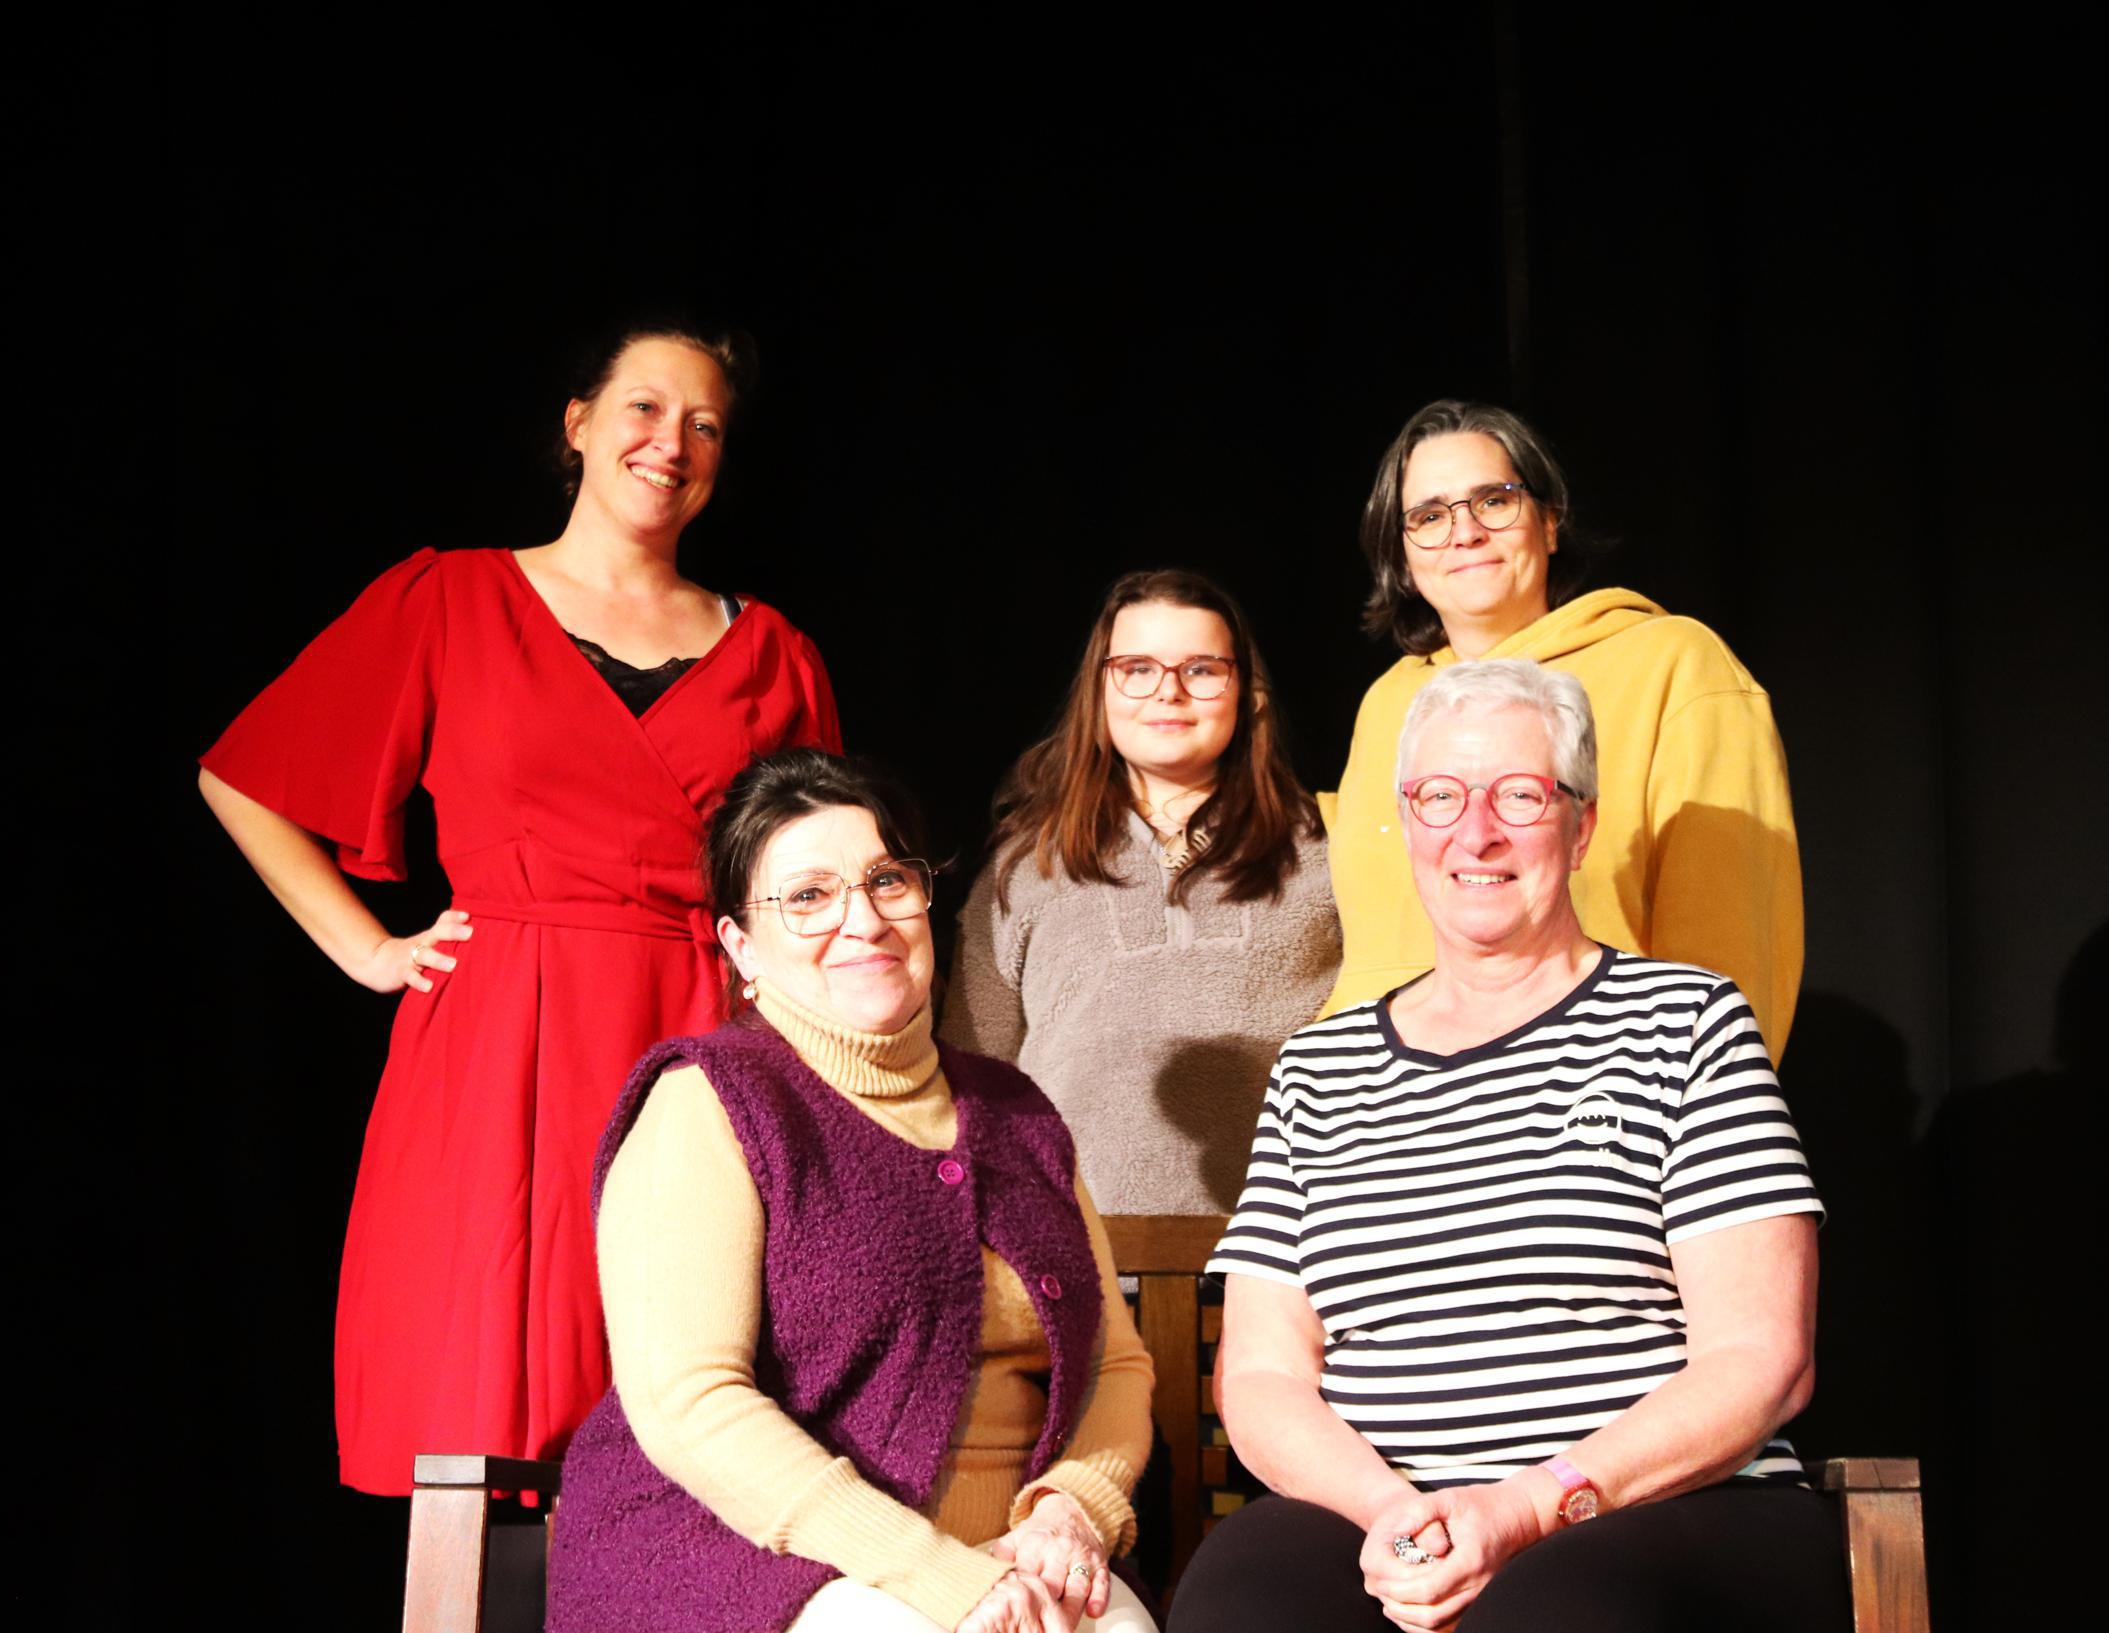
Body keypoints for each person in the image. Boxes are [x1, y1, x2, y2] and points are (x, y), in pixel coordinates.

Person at [197, 324, 840, 1494]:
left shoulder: (771, 651)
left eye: (705, 425)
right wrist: (367, 949)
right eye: (645, 409)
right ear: (578, 424)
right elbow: (244, 776)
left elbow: (818, 875)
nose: (673, 442)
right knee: (485, 1401)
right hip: (504, 1040)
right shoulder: (450, 597)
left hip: (697, 1029)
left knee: (692, 1411)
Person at [1173, 661, 1844, 1633]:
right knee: (1245, 1607)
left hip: (1656, 1509)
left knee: (1559, 1610)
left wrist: (1526, 1506)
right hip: (1385, 1511)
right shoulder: (1320, 1066)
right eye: (1438, 795)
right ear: (1404, 824)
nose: (1474, 831)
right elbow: (1263, 1374)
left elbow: (1760, 1356)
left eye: (1519, 795)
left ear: (1581, 826)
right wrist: (1400, 1518)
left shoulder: (1686, 1022)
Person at [547, 749, 1158, 1633]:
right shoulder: (708, 1099)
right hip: (747, 1563)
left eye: (886, 880)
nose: (862, 919)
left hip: (1013, 1559)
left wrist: (1076, 1506)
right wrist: (938, 1575)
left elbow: (1117, 1361)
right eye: (808, 896)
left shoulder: (1018, 1113)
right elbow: (692, 1403)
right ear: (740, 945)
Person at [1324, 400, 1803, 1055]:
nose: (1464, 533)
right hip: (1390, 1124)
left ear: (1550, 522)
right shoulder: (1388, 704)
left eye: (1493, 500)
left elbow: (1733, 951)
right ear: (1401, 555)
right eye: (1429, 516)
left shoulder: (1673, 666)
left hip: (1586, 1121)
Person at [942, 569, 1339, 1215]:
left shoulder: (1326, 851)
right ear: (1100, 689)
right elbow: (972, 1083)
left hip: (1287, 1269)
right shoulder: (1024, 866)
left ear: (1247, 691)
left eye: (1202, 669)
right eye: (1137, 668)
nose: (1169, 692)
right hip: (1083, 1270)